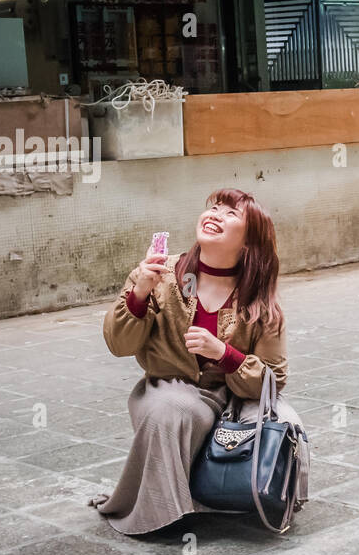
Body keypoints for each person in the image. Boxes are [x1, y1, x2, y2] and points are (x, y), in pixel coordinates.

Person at [97, 188, 302, 535]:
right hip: (164, 387)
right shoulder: (158, 275)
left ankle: (236, 492)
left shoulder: (259, 301)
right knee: (175, 408)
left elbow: (273, 379)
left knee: (286, 421)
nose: (215, 215)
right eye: (214, 208)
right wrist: (141, 291)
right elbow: (118, 344)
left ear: (249, 243)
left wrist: (225, 355)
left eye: (231, 214)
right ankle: (160, 515)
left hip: (228, 397)